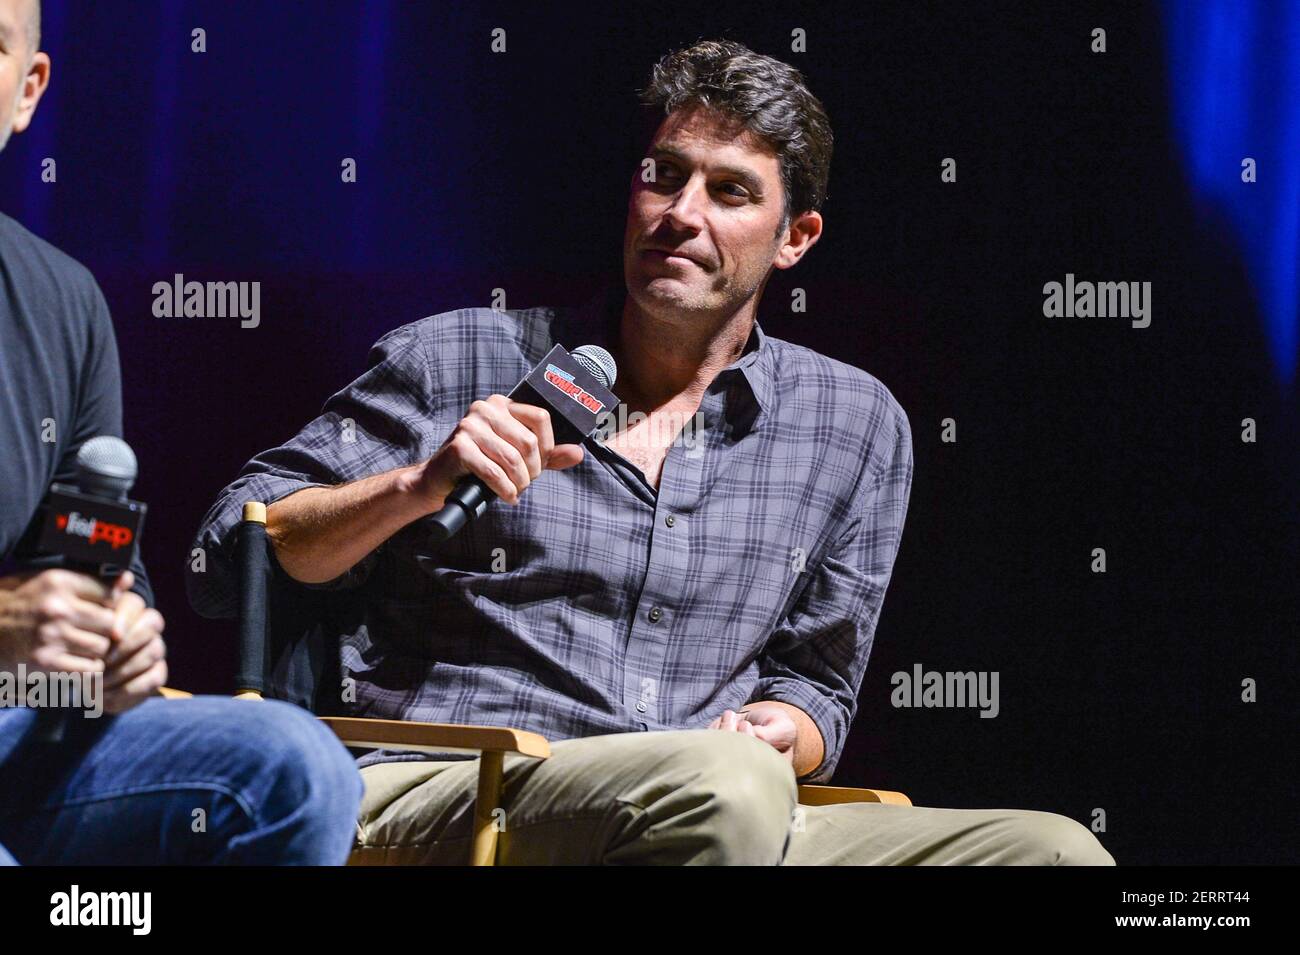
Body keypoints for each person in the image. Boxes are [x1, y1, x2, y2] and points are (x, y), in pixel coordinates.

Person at [189, 39, 1114, 865]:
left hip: (718, 804)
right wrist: (415, 486)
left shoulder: (854, 424)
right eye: (662, 175)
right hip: (462, 788)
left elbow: (818, 685)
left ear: (796, 238)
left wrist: (782, 729)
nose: (680, 211)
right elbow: (232, 554)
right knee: (725, 792)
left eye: (730, 190)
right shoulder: (458, 358)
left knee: (1055, 852)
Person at [0, 0, 362, 865]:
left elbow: (102, 559)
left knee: (296, 765)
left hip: (22, 728)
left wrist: (117, 636)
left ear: (27, 90)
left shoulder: (64, 301)